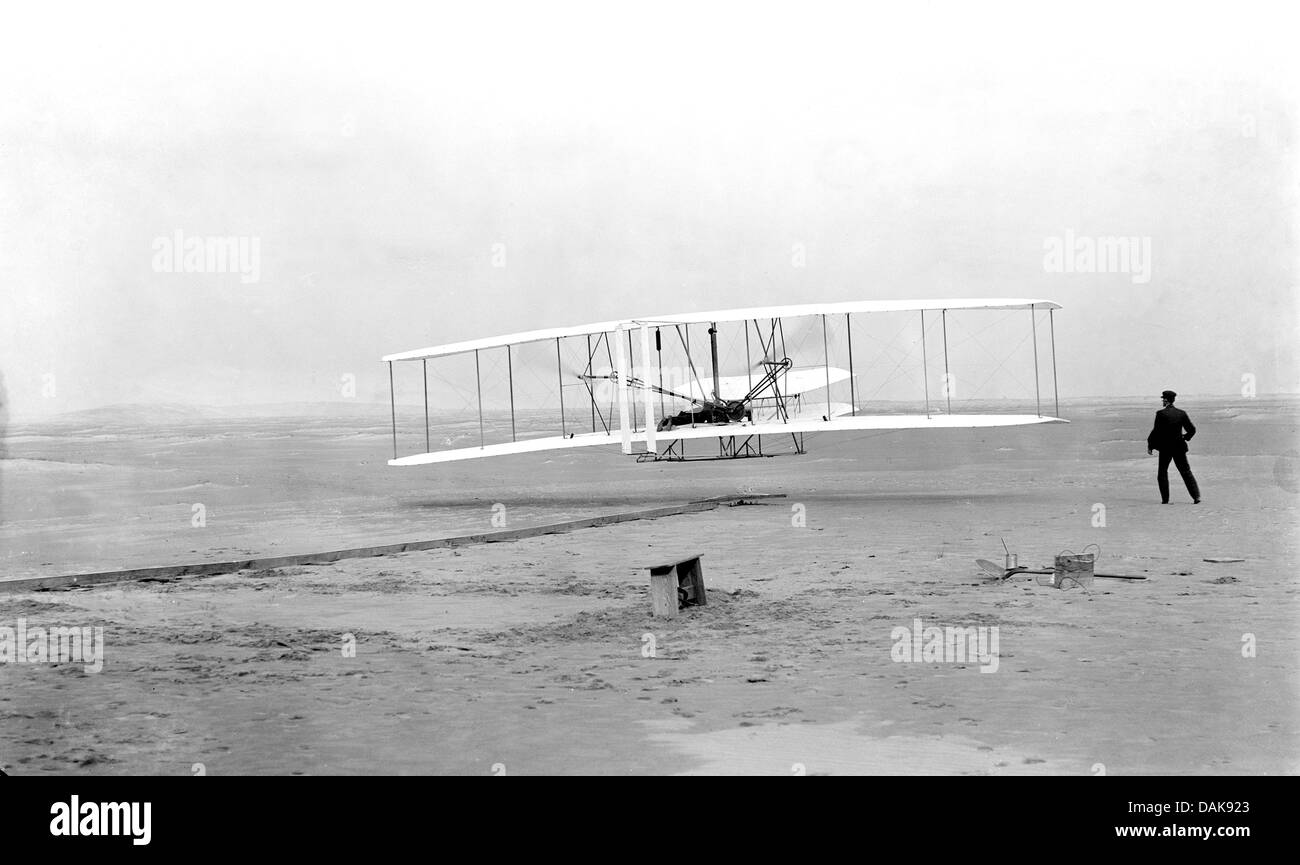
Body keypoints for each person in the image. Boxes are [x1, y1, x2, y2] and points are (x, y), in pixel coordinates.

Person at [1146, 390, 1201, 504]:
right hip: (1179, 447)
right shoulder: (1182, 413)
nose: (1162, 401)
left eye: (1163, 399)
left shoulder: (1160, 414)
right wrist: (1185, 437)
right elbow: (1192, 429)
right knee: (1186, 472)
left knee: (1162, 473)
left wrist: (1150, 444)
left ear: (1166, 400)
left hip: (1165, 448)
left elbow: (1156, 431)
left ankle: (1165, 500)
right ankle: (1196, 497)